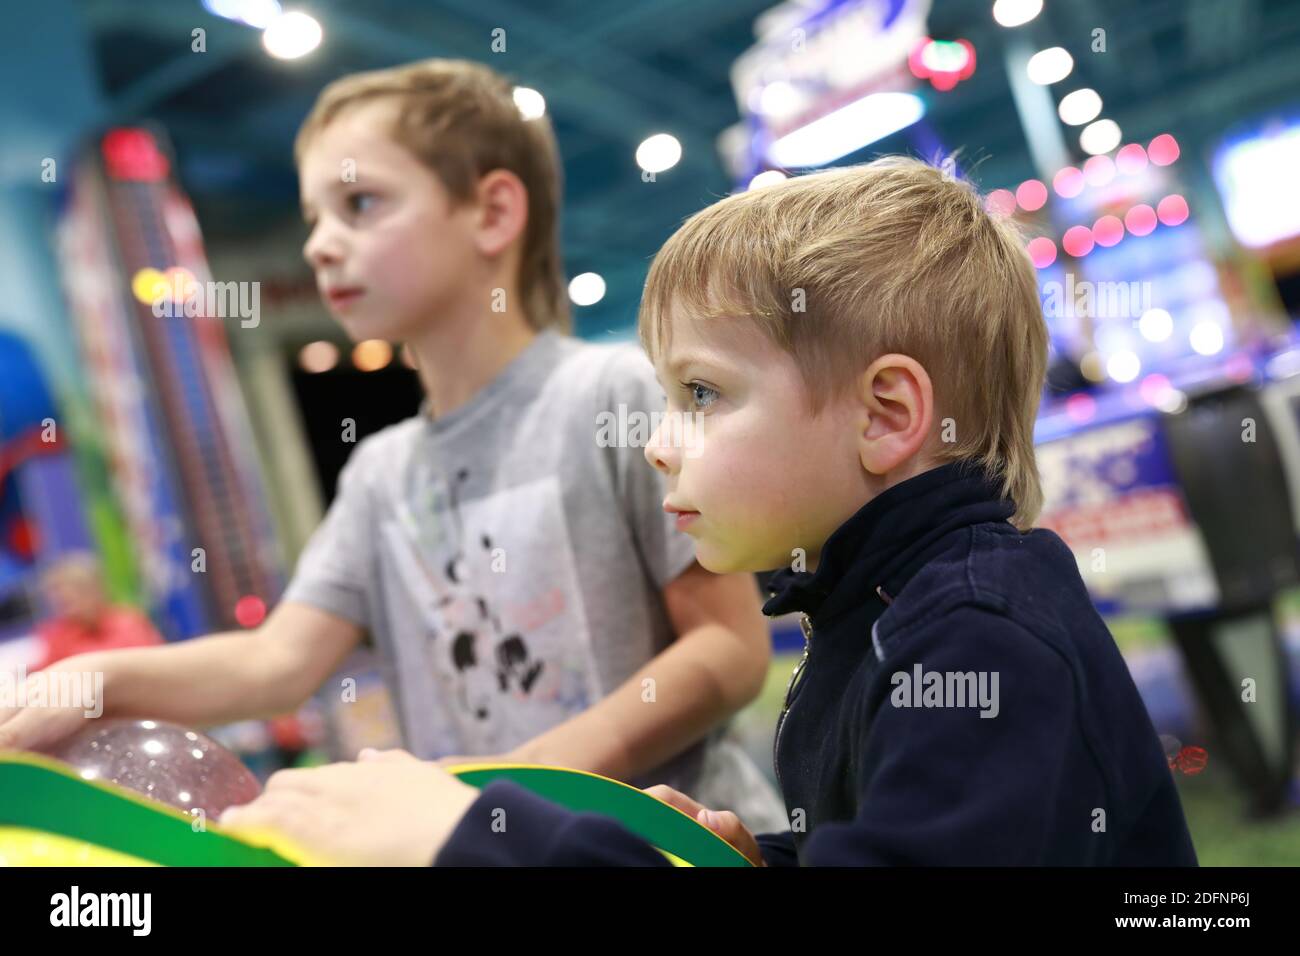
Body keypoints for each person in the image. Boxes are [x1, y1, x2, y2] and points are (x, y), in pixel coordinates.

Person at [222, 158, 1198, 867]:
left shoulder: (979, 640)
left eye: (701, 394)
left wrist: (465, 840)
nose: (657, 441)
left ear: (885, 413)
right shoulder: (879, 614)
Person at [0, 58, 785, 830]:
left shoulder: (610, 396)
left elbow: (727, 647)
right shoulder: (380, 472)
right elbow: (276, 664)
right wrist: (91, 680)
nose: (319, 245)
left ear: (492, 213)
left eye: (360, 203)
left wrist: (523, 781)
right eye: (314, 218)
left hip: (664, 844)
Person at [33, 553, 163, 670]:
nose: (65, 600)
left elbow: (156, 664)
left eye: (77, 591)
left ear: (97, 588)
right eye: (59, 596)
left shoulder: (129, 622)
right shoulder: (56, 638)